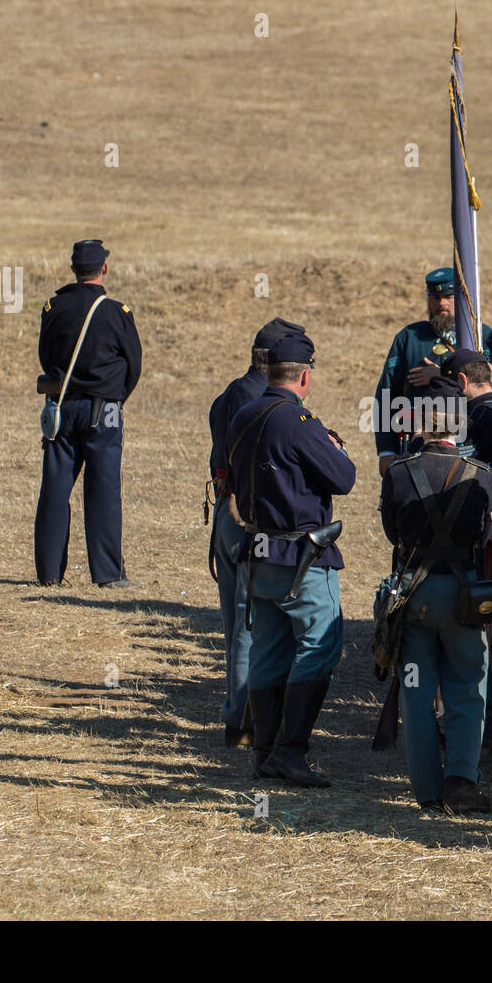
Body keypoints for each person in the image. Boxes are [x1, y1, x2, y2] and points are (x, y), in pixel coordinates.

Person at [228, 333, 356, 787]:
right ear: (305, 375)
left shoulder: (243, 414)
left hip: (255, 551)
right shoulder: (300, 421)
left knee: (268, 649)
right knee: (320, 646)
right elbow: (343, 478)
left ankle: (264, 752)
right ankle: (290, 750)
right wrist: (333, 446)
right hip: (299, 556)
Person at [379, 376, 492, 813]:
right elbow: (486, 534)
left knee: (415, 690)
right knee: (467, 690)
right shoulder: (481, 476)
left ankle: (427, 791)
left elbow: (393, 532)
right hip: (465, 597)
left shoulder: (397, 474)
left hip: (413, 597)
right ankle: (462, 787)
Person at [207, 317, 305, 748]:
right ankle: (245, 723)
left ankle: (237, 714)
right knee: (250, 624)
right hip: (250, 519)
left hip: (228, 516)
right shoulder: (267, 403)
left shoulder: (229, 395)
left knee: (235, 623)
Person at [34, 240, 143, 588]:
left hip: (62, 407)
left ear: (73, 270)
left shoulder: (54, 307)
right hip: (104, 410)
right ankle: (108, 575)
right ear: (104, 268)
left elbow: (44, 356)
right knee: (104, 490)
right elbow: (134, 366)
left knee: (54, 489)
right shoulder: (115, 312)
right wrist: (116, 396)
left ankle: (49, 573)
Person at [374, 268, 458, 475]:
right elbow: (386, 392)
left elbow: (489, 387)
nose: (441, 304)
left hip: (465, 443)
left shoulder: (479, 335)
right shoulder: (409, 337)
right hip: (414, 444)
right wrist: (386, 450)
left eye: (448, 296)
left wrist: (442, 377)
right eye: (435, 297)